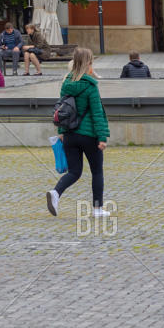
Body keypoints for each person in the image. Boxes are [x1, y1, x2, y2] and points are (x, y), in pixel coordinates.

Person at [47, 48, 110, 218]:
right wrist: (102, 137)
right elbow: (97, 113)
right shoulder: (91, 86)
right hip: (89, 136)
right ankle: (97, 209)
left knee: (74, 172)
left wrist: (61, 131)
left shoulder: (66, 83)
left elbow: (61, 108)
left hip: (69, 135)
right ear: (88, 64)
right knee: (97, 171)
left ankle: (55, 193)